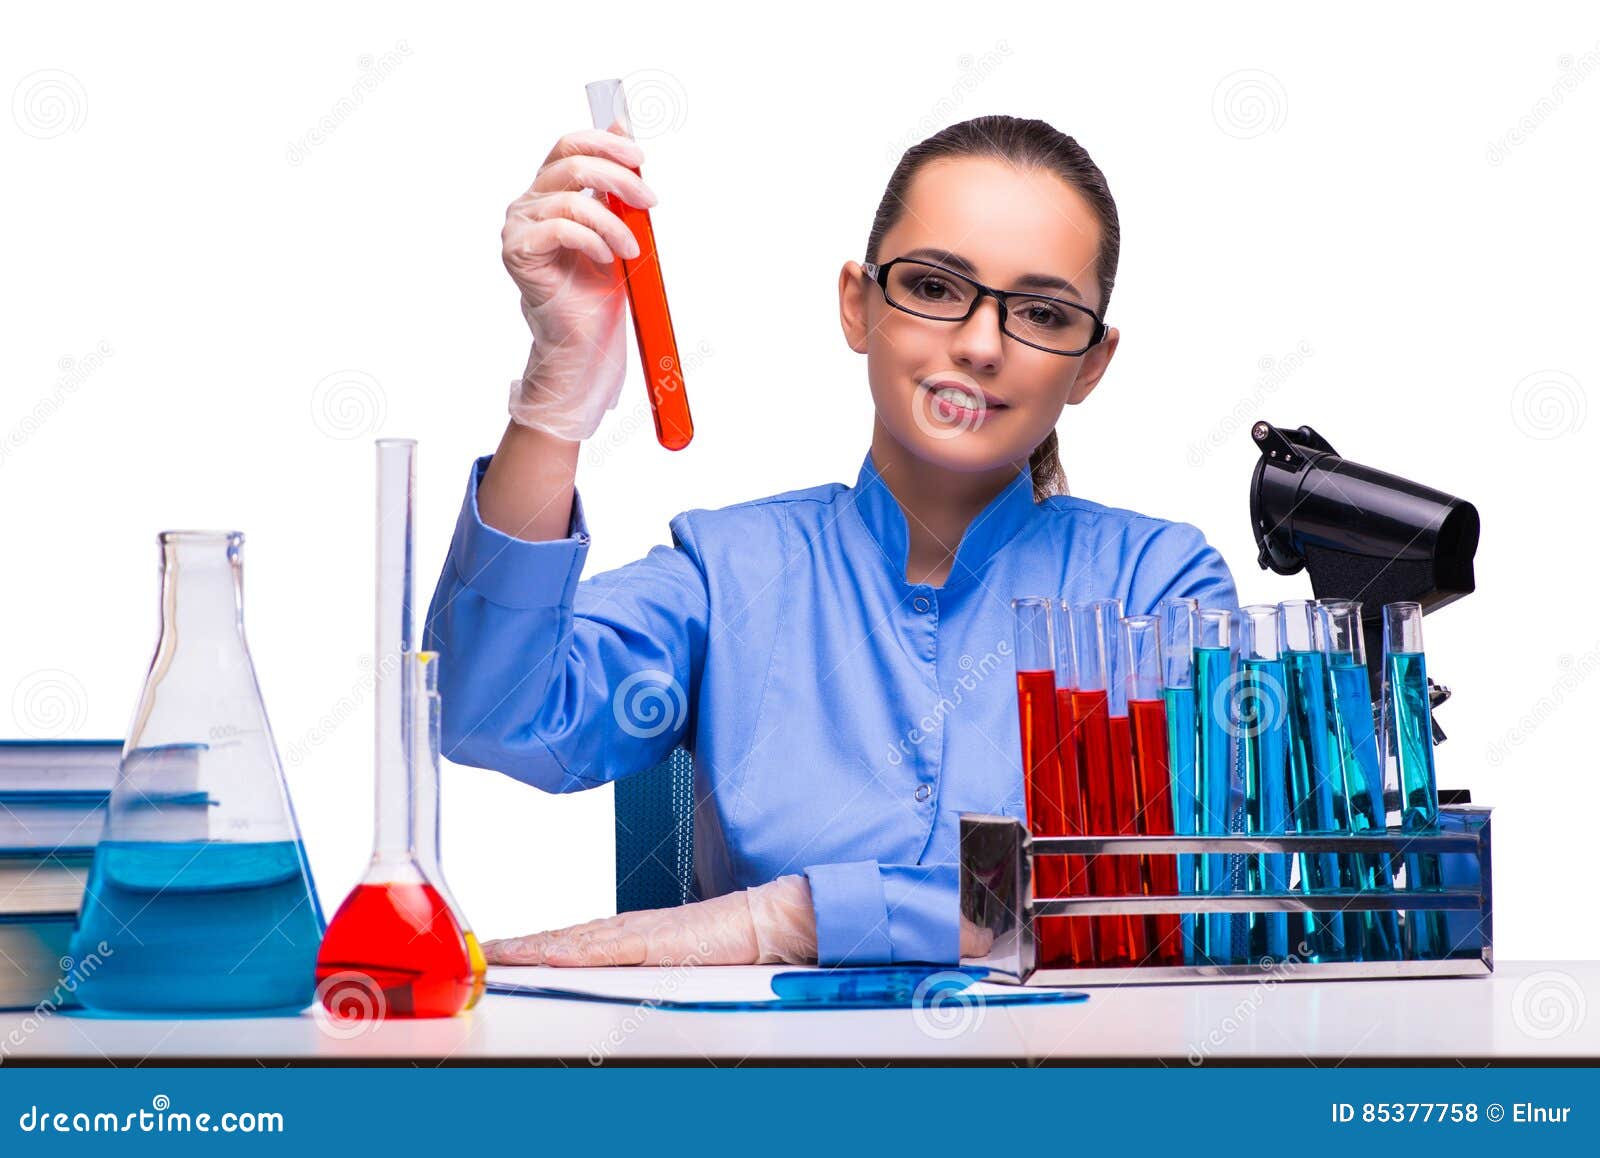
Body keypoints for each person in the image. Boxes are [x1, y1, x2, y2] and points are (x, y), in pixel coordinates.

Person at [422, 113, 1239, 969]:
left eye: (1040, 311)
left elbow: (1153, 888)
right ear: (858, 304)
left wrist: (786, 920)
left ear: (1092, 363)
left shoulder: (1157, 586)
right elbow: (486, 710)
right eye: (932, 288)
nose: (980, 344)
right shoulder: (728, 572)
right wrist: (558, 392)